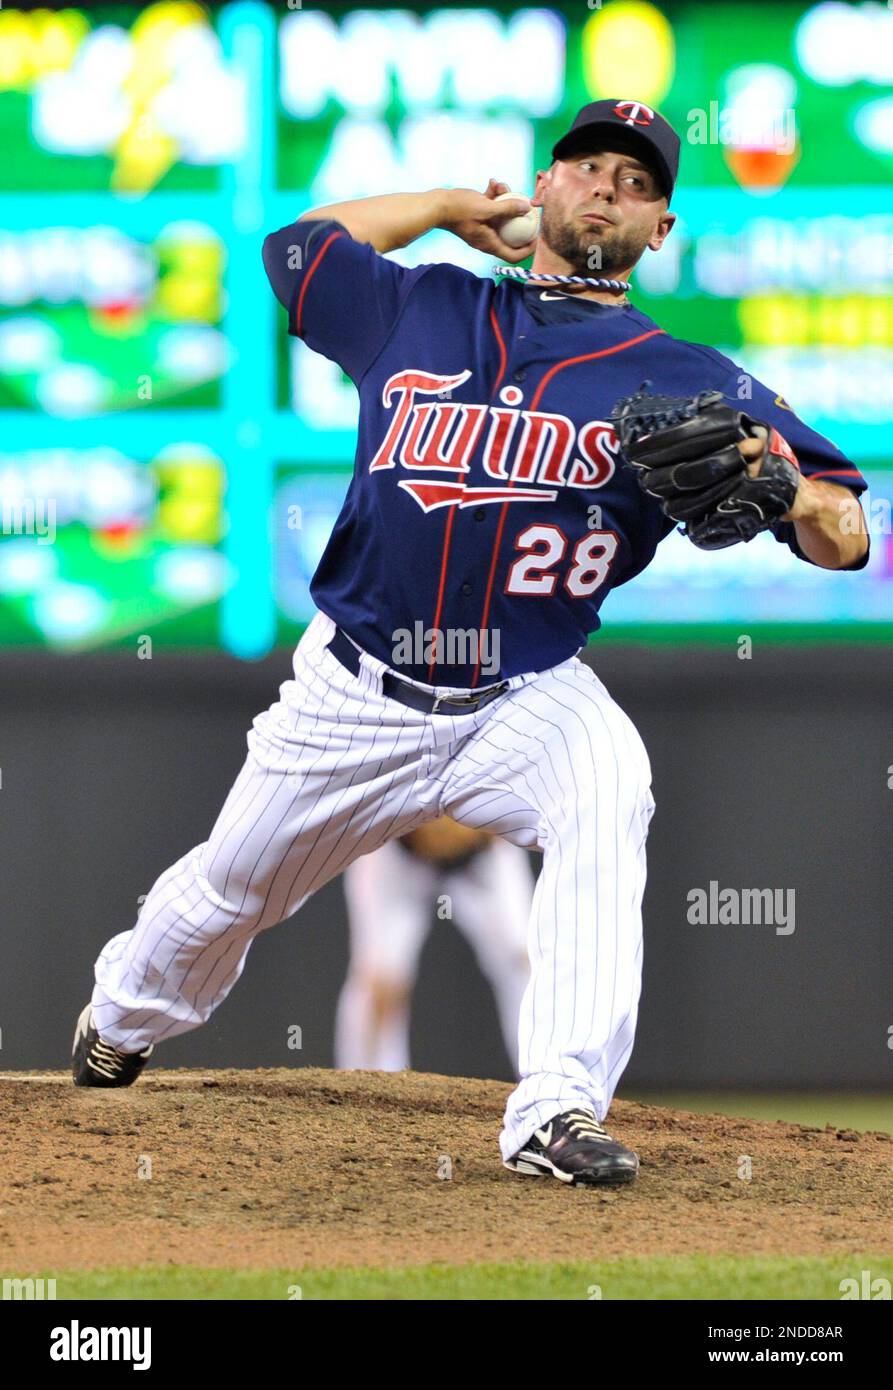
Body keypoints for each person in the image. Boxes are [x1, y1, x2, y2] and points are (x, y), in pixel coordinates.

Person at [73, 99, 868, 1188]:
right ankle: (123, 1015)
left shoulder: (690, 375)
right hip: (353, 693)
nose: (606, 189)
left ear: (661, 230)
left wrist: (788, 490)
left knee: (609, 784)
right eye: (587, 167)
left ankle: (555, 1108)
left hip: (519, 694)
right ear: (540, 186)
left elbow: (846, 528)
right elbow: (295, 250)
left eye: (635, 184)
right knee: (226, 893)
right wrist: (447, 209)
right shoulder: (420, 307)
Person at [335, 817, 533, 1074]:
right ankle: (363, 1092)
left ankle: (550, 1086)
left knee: (526, 963)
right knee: (379, 978)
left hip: (485, 853)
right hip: (397, 850)